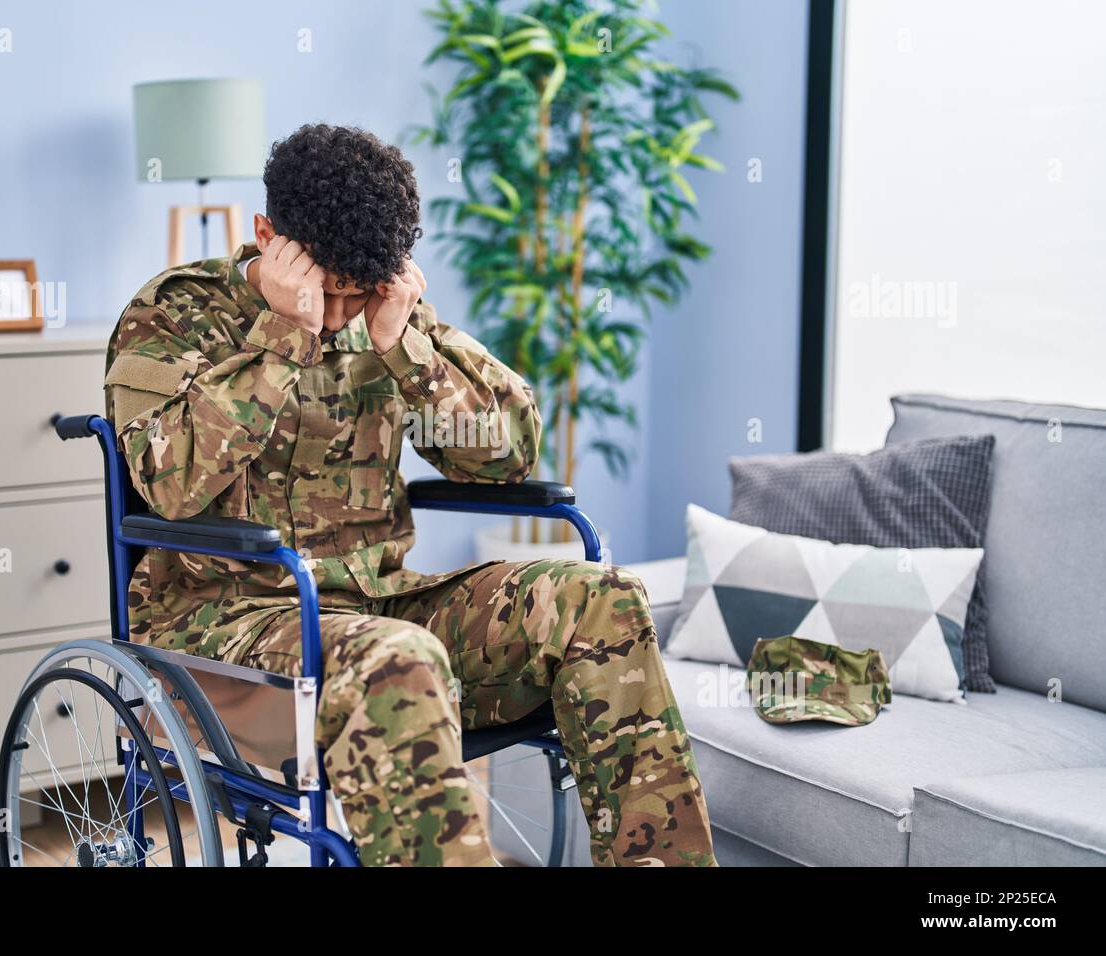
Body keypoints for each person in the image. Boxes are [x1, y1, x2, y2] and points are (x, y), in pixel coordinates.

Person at [104, 123, 714, 866]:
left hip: (379, 608)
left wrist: (406, 349)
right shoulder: (172, 314)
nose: (337, 319)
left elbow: (510, 455)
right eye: (326, 296)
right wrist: (281, 338)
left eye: (352, 299)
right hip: (224, 629)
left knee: (604, 599)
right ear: (267, 236)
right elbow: (168, 486)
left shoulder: (383, 310)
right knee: (399, 656)